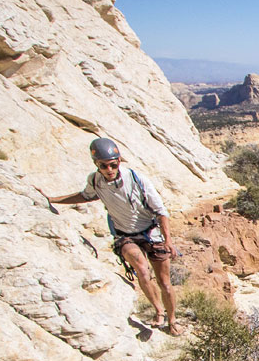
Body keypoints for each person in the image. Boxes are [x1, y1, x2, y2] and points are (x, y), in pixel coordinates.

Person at [50, 137, 182, 335]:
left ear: (119, 161)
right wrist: (52, 199)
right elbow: (85, 196)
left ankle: (172, 321)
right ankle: (158, 311)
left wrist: (168, 241)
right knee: (142, 270)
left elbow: (161, 211)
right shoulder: (95, 181)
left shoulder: (136, 179)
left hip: (150, 232)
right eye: (103, 166)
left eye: (113, 164)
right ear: (96, 164)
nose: (109, 169)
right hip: (125, 235)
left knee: (164, 283)